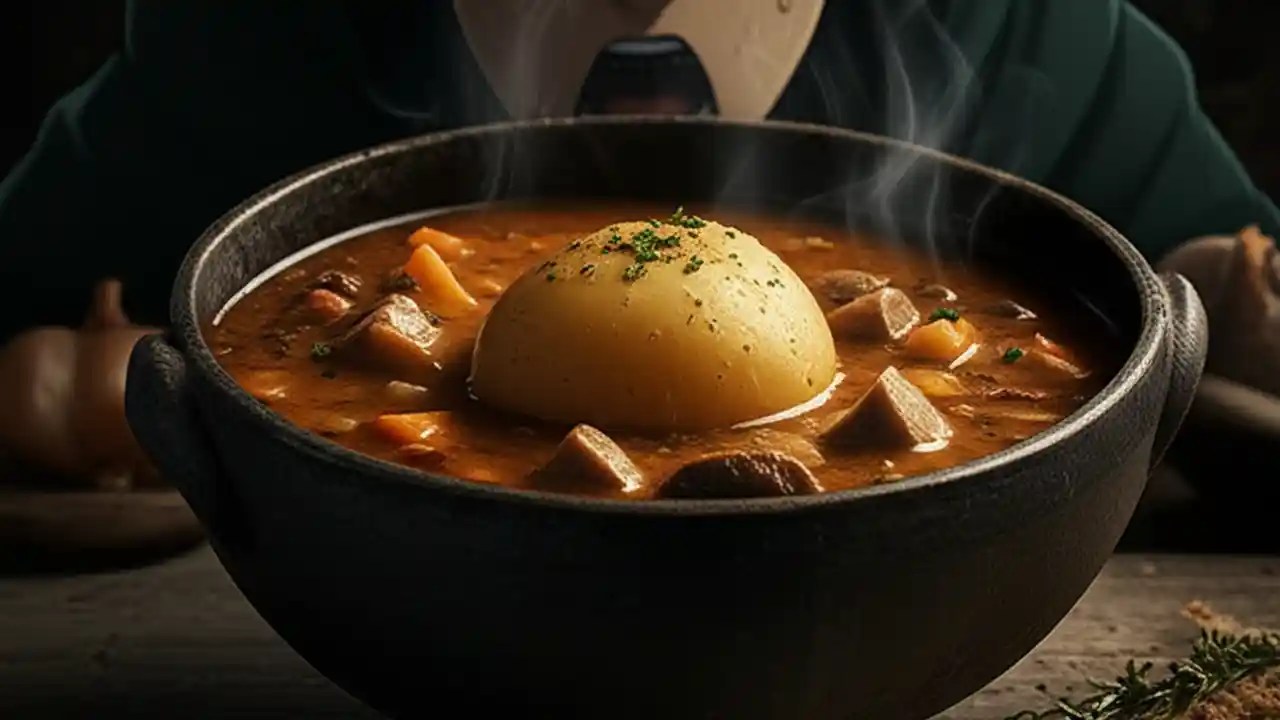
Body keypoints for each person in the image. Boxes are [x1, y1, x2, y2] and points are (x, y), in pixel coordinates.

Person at [0, 0, 1276, 337]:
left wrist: (1229, 304)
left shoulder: (1038, 34)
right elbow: (32, 278)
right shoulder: (252, 37)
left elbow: (1225, 282)